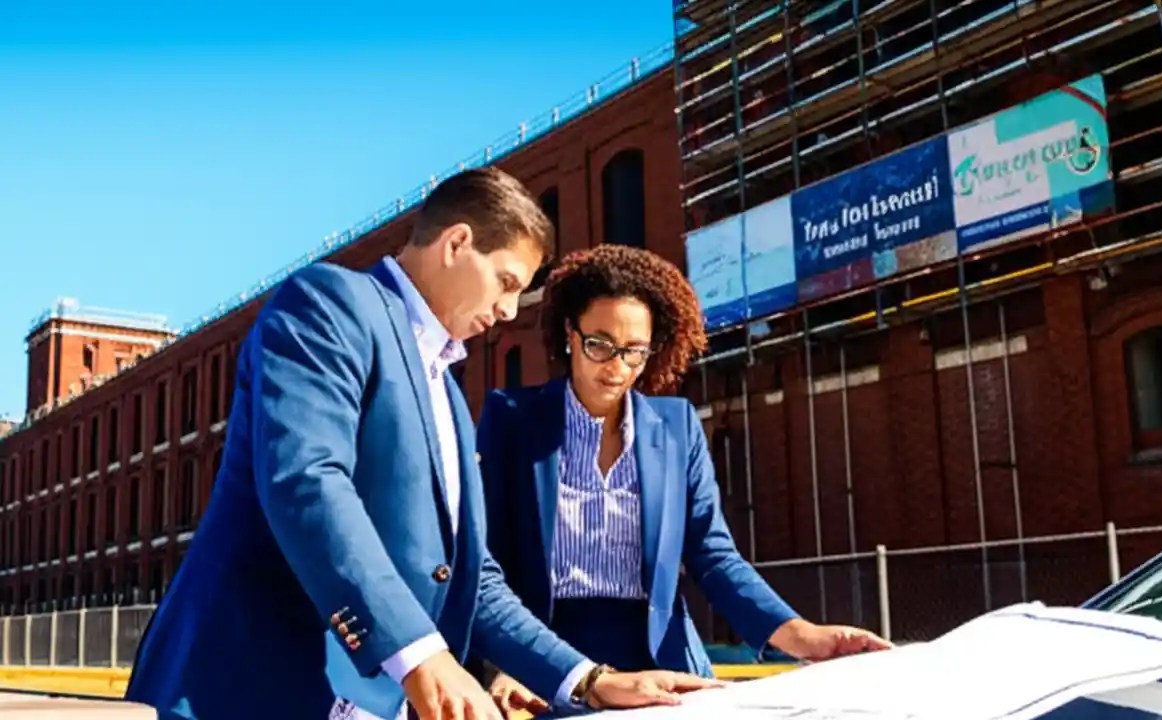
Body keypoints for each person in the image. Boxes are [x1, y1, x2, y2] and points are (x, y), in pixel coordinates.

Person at [123, 168, 719, 720]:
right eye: (507, 282)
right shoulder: (330, 305)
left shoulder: (452, 399)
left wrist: (591, 680)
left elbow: (472, 577)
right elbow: (308, 481)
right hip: (246, 689)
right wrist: (421, 653)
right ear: (457, 243)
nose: (509, 311)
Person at [474, 245, 893, 717]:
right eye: (599, 344)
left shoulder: (677, 426)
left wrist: (800, 634)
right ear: (570, 335)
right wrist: (508, 662)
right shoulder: (511, 418)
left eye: (634, 351)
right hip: (553, 658)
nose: (616, 368)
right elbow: (490, 559)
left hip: (664, 654)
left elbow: (712, 557)